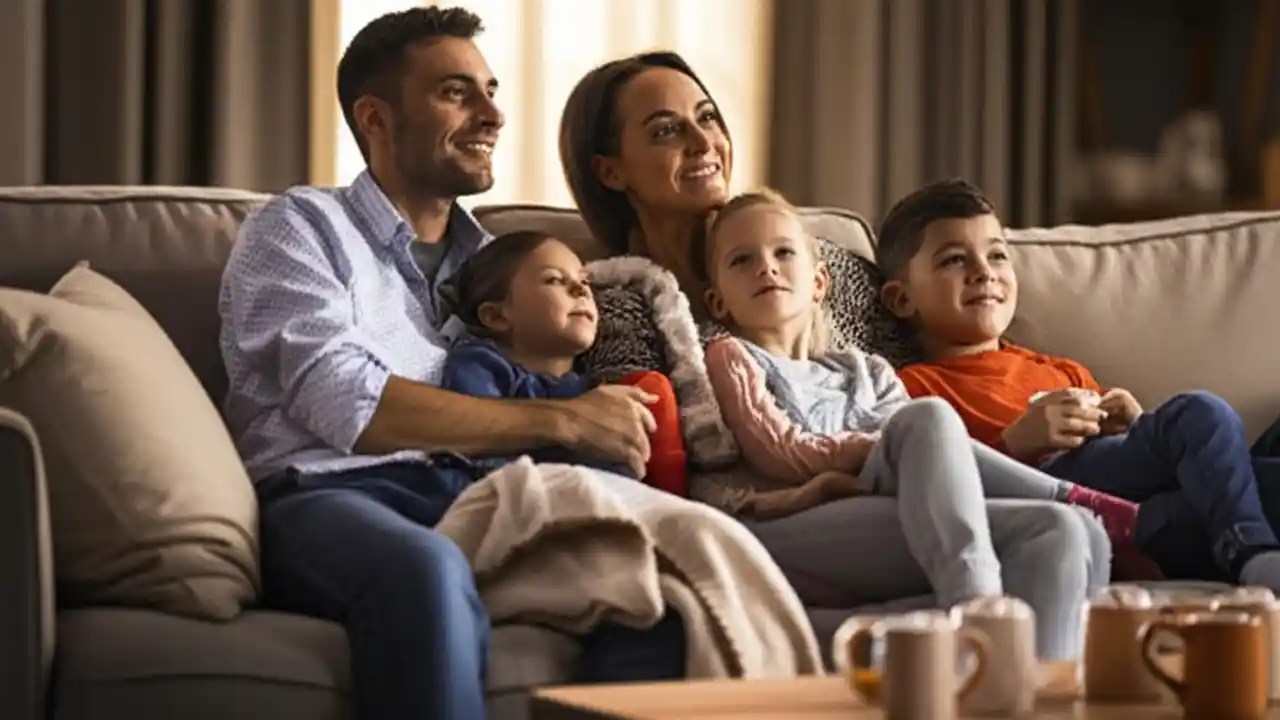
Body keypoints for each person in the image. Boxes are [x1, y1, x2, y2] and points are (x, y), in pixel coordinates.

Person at [558, 51, 1111, 660]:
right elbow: (645, 474)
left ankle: (1004, 684)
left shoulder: (826, 263)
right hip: (772, 517)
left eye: (708, 117)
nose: (703, 140)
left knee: (1065, 534)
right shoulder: (619, 302)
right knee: (1043, 528)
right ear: (612, 172)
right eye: (666, 130)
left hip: (909, 486)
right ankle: (966, 630)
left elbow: (920, 377)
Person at [219, 9, 684, 719]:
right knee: (425, 570)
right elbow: (352, 406)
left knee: (660, 591)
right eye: (456, 92)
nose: (493, 112)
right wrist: (563, 420)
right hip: (329, 497)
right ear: (375, 118)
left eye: (491, 90)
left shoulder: (504, 266)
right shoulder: (301, 228)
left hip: (471, 496)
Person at [878, 177, 1280, 589]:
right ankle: (1248, 552)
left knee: (1258, 477)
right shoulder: (914, 388)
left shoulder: (1060, 369)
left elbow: (1136, 458)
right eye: (953, 260)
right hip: (1054, 488)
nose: (984, 272)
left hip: (1141, 506)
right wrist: (1014, 443)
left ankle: (1228, 544)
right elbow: (935, 485)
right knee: (1201, 412)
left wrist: (1135, 423)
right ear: (901, 299)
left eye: (997, 255)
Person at [437, 230, 688, 494]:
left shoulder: (597, 391)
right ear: (496, 316)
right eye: (554, 279)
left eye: (585, 281)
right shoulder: (481, 363)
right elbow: (473, 437)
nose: (580, 290)